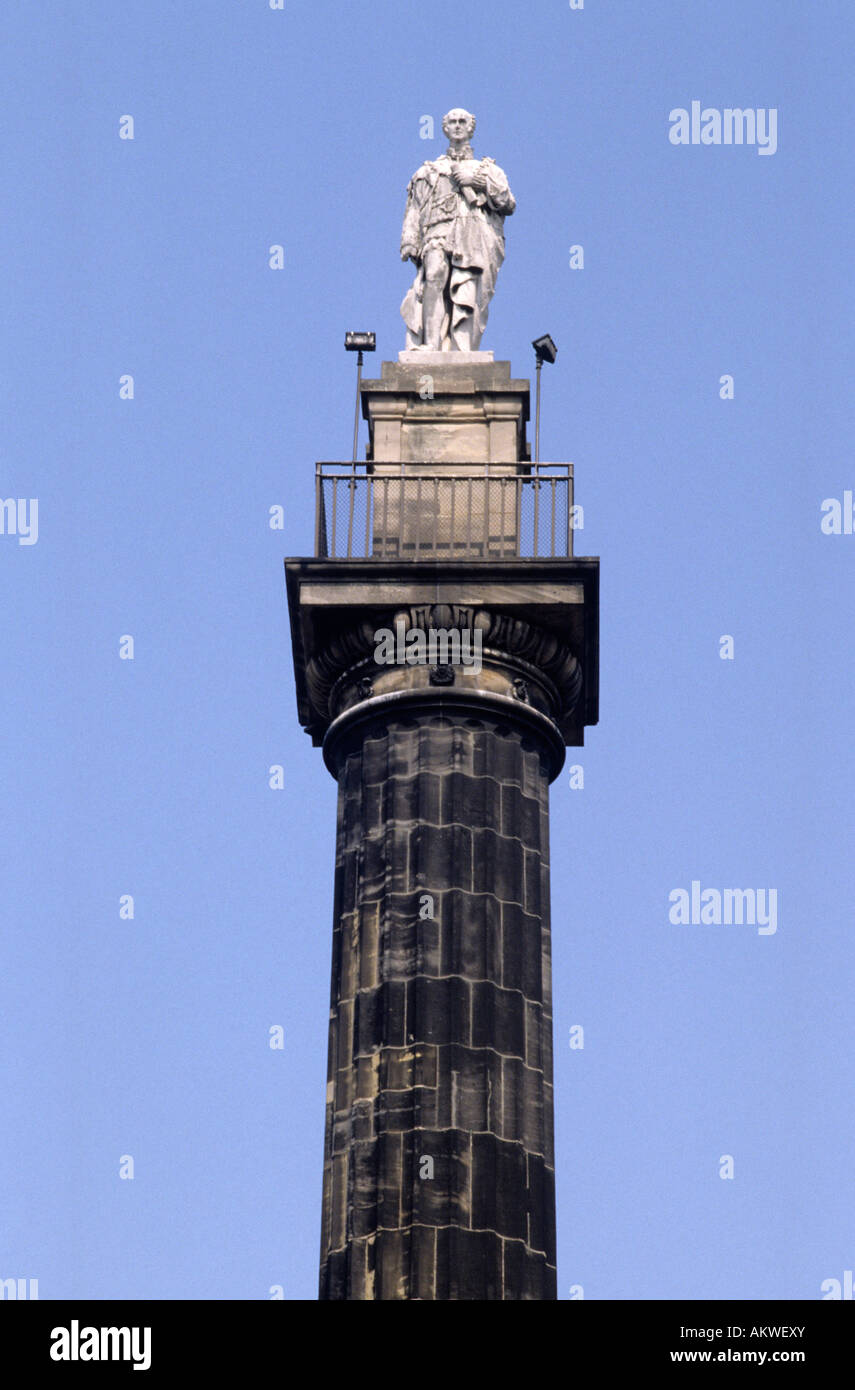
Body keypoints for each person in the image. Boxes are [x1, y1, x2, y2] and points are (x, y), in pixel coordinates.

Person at [400, 109, 515, 352]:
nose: (458, 126)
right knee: (434, 276)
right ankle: (430, 344)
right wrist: (410, 238)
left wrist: (477, 181)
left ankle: (462, 349)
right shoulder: (430, 170)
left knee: (468, 288)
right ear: (445, 128)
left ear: (471, 128)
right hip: (438, 229)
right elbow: (414, 206)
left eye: (463, 121)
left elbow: (508, 202)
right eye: (452, 122)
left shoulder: (487, 169)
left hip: (473, 234)